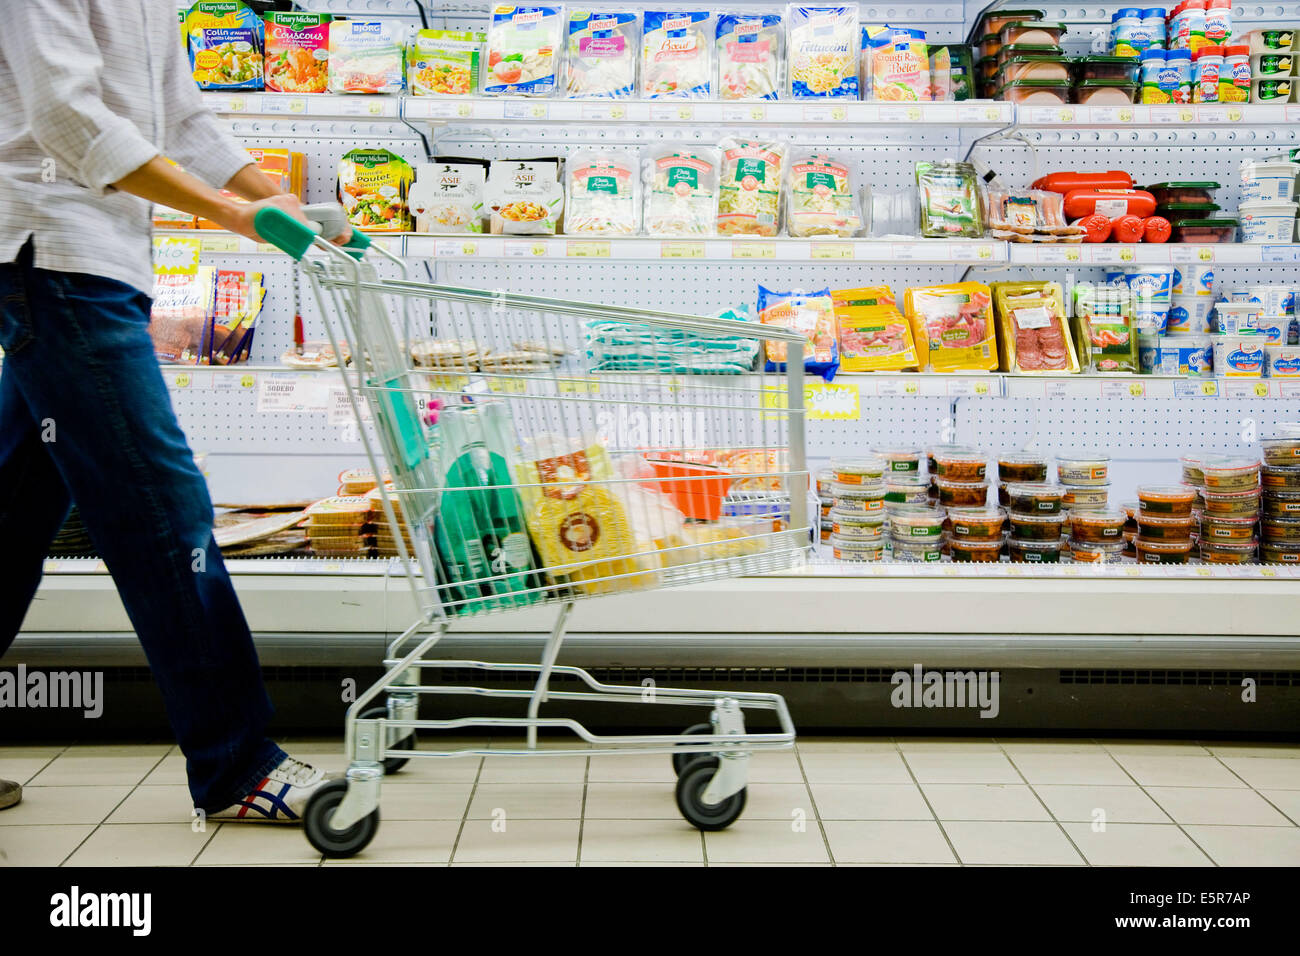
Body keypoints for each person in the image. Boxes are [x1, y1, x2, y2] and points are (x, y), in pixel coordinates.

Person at [0, 1, 348, 821]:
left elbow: (181, 114)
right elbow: (66, 116)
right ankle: (237, 767)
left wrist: (277, 202)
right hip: (56, 257)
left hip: (99, 262)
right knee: (163, 516)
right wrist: (227, 213)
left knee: (11, 515)